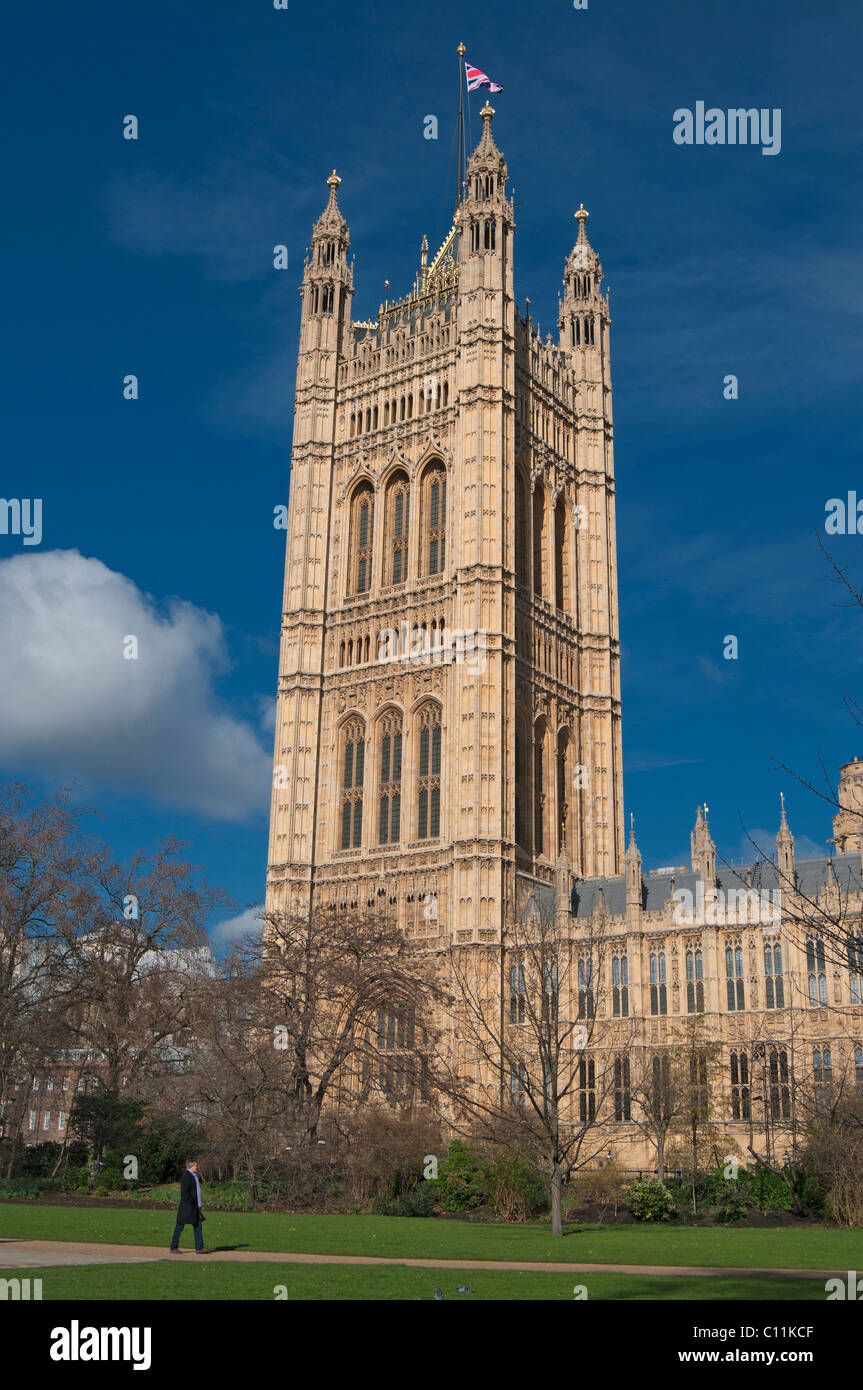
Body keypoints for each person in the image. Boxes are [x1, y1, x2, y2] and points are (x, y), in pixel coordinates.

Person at [170, 1159, 207, 1253]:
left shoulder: (193, 1176)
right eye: (195, 1165)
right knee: (180, 1226)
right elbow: (185, 1193)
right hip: (187, 1207)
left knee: (198, 1225)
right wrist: (191, 1202)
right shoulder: (187, 1176)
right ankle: (174, 1247)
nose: (197, 1167)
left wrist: (198, 1204)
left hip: (194, 1207)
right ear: (191, 1166)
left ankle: (199, 1247)